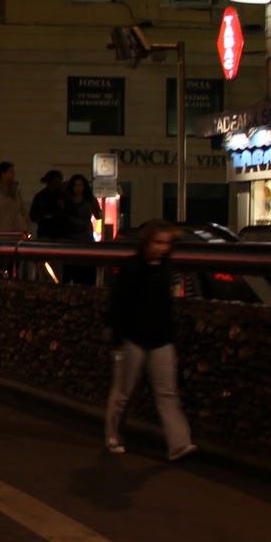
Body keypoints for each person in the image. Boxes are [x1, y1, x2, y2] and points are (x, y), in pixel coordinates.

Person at [103, 219, 197, 461]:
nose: (162, 248)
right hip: (133, 337)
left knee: (167, 393)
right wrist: (116, 335)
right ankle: (113, 435)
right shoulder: (132, 268)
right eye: (158, 242)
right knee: (123, 392)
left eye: (166, 243)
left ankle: (179, 443)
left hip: (160, 337)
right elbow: (119, 303)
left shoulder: (166, 269)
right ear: (146, 242)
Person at [61, 174, 103, 285]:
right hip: (70, 238)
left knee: (86, 267)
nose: (78, 188)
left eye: (80, 185)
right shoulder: (66, 200)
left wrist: (99, 212)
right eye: (76, 186)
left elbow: (98, 215)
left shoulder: (89, 199)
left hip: (85, 237)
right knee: (71, 267)